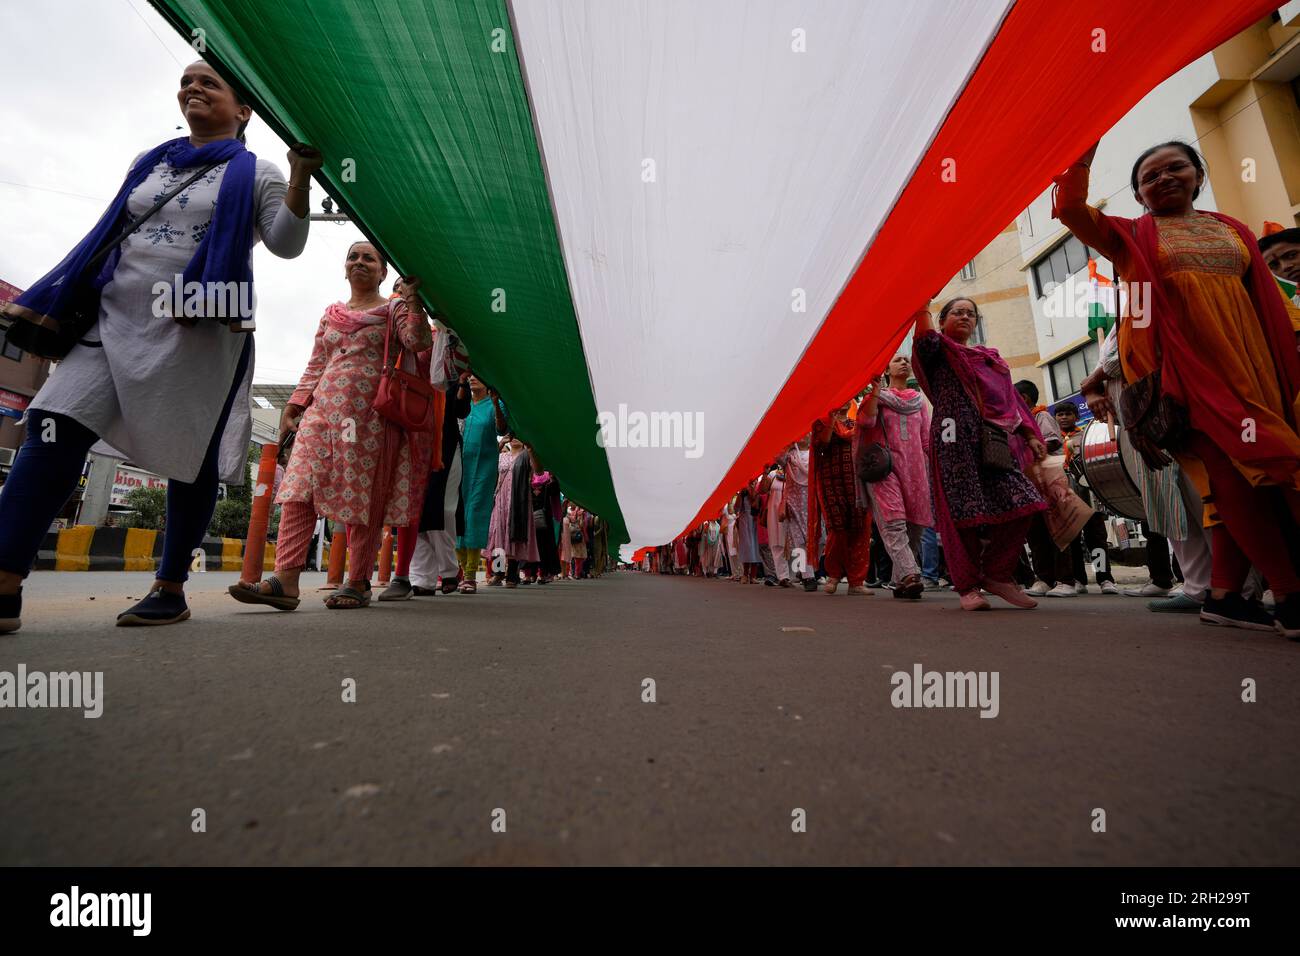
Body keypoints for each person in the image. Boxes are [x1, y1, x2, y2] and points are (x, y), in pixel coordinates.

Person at [0, 60, 317, 632]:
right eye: (186, 82)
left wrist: (299, 177)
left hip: (197, 333)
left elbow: (286, 244)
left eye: (209, 83)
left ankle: (170, 588)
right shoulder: (148, 164)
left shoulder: (261, 172)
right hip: (111, 320)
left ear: (243, 111)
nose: (192, 88)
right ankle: (4, 583)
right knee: (52, 424)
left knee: (187, 456)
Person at [1059, 140, 1300, 637]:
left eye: (1176, 168)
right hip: (1188, 379)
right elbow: (1068, 208)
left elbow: (1268, 307)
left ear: (1197, 174)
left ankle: (1226, 596)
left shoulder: (1232, 230)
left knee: (1245, 482)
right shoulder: (1130, 237)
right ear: (1140, 194)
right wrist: (1083, 151)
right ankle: (1291, 594)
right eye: (1150, 176)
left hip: (1255, 372)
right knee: (1251, 473)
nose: (1164, 178)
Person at [231, 245, 432, 611]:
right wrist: (294, 405)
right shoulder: (331, 314)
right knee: (299, 488)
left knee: (363, 495)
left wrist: (414, 301)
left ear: (383, 273)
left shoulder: (393, 309)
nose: (359, 262)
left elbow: (418, 342)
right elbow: (316, 363)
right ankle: (285, 580)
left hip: (371, 417)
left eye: (369, 258)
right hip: (321, 413)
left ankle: (357, 581)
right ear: (344, 269)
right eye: (353, 257)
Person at [912, 298, 1047, 611]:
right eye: (957, 312)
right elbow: (926, 340)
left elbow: (1011, 400)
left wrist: (1029, 435)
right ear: (942, 320)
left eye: (970, 314)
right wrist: (921, 306)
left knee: (1025, 501)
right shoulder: (938, 351)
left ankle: (997, 575)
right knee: (964, 515)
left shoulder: (990, 360)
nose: (965, 317)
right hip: (952, 439)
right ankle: (967, 586)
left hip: (991, 440)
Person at [860, 357, 933, 600]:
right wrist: (875, 392)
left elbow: (926, 439)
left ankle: (899, 581)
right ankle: (911, 573)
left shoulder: (918, 399)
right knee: (894, 521)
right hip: (885, 469)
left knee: (915, 525)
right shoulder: (879, 397)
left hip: (916, 471)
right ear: (887, 369)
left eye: (906, 360)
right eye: (897, 360)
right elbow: (866, 421)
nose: (904, 363)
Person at [1053, 399, 1120, 596]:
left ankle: (1104, 579)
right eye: (1060, 414)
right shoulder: (1052, 439)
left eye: (1068, 414)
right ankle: (1078, 579)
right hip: (1066, 498)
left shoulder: (1086, 436)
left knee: (1097, 541)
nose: (1064, 417)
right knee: (1072, 541)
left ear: (1077, 416)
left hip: (1089, 497)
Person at [808, 400, 874, 595]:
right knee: (837, 528)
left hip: (856, 482)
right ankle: (834, 575)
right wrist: (832, 416)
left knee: (859, 528)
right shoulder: (822, 420)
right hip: (831, 482)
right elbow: (825, 442)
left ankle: (856, 581)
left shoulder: (858, 419)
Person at [455, 376, 503, 593]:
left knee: (474, 514)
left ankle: (470, 574)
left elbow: (501, 429)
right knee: (456, 513)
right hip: (458, 466)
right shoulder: (461, 401)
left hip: (483, 469)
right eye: (470, 375)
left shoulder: (494, 404)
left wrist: (496, 404)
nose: (473, 379)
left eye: (479, 376)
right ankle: (461, 569)